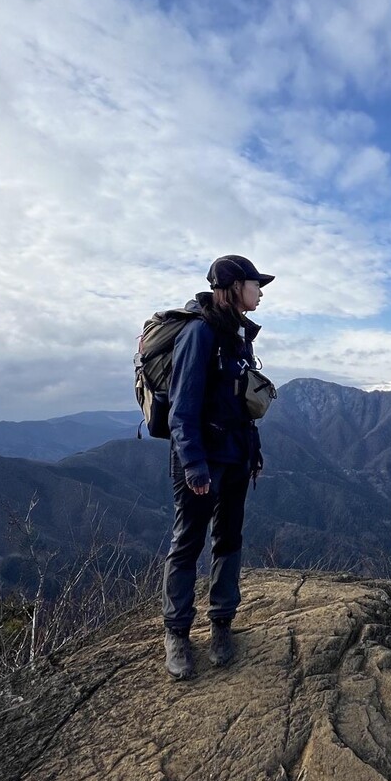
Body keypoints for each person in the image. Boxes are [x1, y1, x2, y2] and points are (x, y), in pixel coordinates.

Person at [162, 254, 272, 681]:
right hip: (203, 460)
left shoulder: (237, 336)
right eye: (254, 284)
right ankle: (177, 633)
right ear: (233, 286)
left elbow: (238, 403)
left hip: (236, 456)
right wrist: (194, 465)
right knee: (188, 540)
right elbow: (182, 408)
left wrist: (251, 453)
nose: (260, 291)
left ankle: (222, 623)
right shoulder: (200, 334)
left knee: (228, 537)